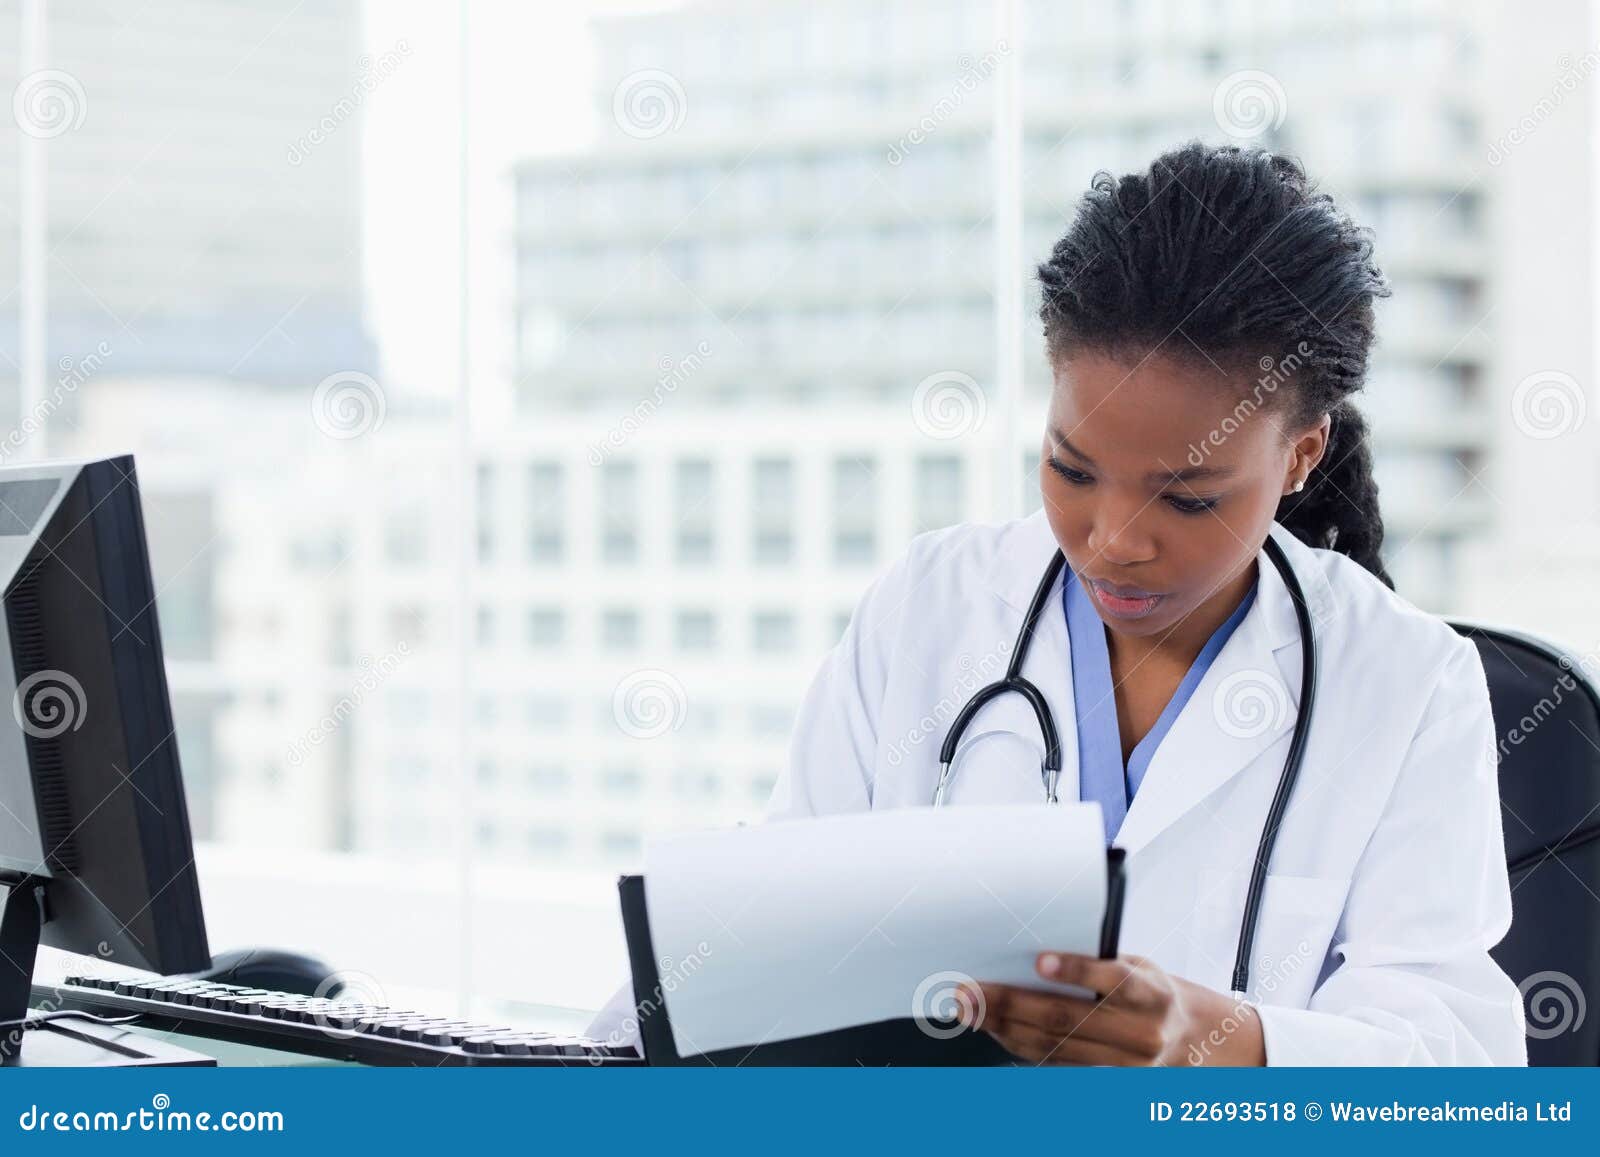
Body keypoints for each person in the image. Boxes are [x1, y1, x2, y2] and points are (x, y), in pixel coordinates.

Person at [588, 141, 1526, 1065]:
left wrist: (1234, 1044)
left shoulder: (1410, 682)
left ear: (1300, 456)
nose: (1114, 539)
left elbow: (1459, 1067)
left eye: (1189, 496)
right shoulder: (932, 607)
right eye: (1071, 469)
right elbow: (767, 948)